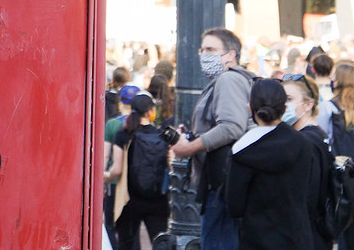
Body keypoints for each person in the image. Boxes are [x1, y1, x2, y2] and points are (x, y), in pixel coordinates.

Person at [171, 27, 256, 250]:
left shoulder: (229, 79)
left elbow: (231, 127)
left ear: (231, 54)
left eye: (210, 49)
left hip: (222, 186)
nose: (204, 54)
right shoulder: (230, 80)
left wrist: (189, 147)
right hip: (225, 185)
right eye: (202, 49)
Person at [226, 78, 312, 249]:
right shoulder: (303, 143)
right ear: (284, 108)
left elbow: (234, 207)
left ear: (250, 108)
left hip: (257, 239)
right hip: (297, 237)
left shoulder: (243, 150)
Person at [318, 62, 354, 250]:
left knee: (348, 240)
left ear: (338, 82)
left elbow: (321, 140)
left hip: (344, 185)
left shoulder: (328, 108)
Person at [105, 92, 169, 250]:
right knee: (161, 242)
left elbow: (117, 170)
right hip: (158, 200)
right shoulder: (163, 135)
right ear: (150, 112)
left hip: (129, 200)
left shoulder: (124, 135)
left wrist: (104, 177)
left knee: (127, 244)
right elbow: (171, 165)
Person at [282, 73, 334, 250]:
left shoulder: (307, 141)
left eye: (289, 99)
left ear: (309, 104)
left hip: (307, 235)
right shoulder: (316, 136)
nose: (283, 104)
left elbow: (307, 196)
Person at [104, 84, 140, 248]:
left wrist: (103, 178)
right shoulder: (142, 124)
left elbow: (105, 155)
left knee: (111, 223)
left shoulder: (112, 124)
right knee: (134, 229)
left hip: (114, 181)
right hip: (134, 182)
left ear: (121, 102)